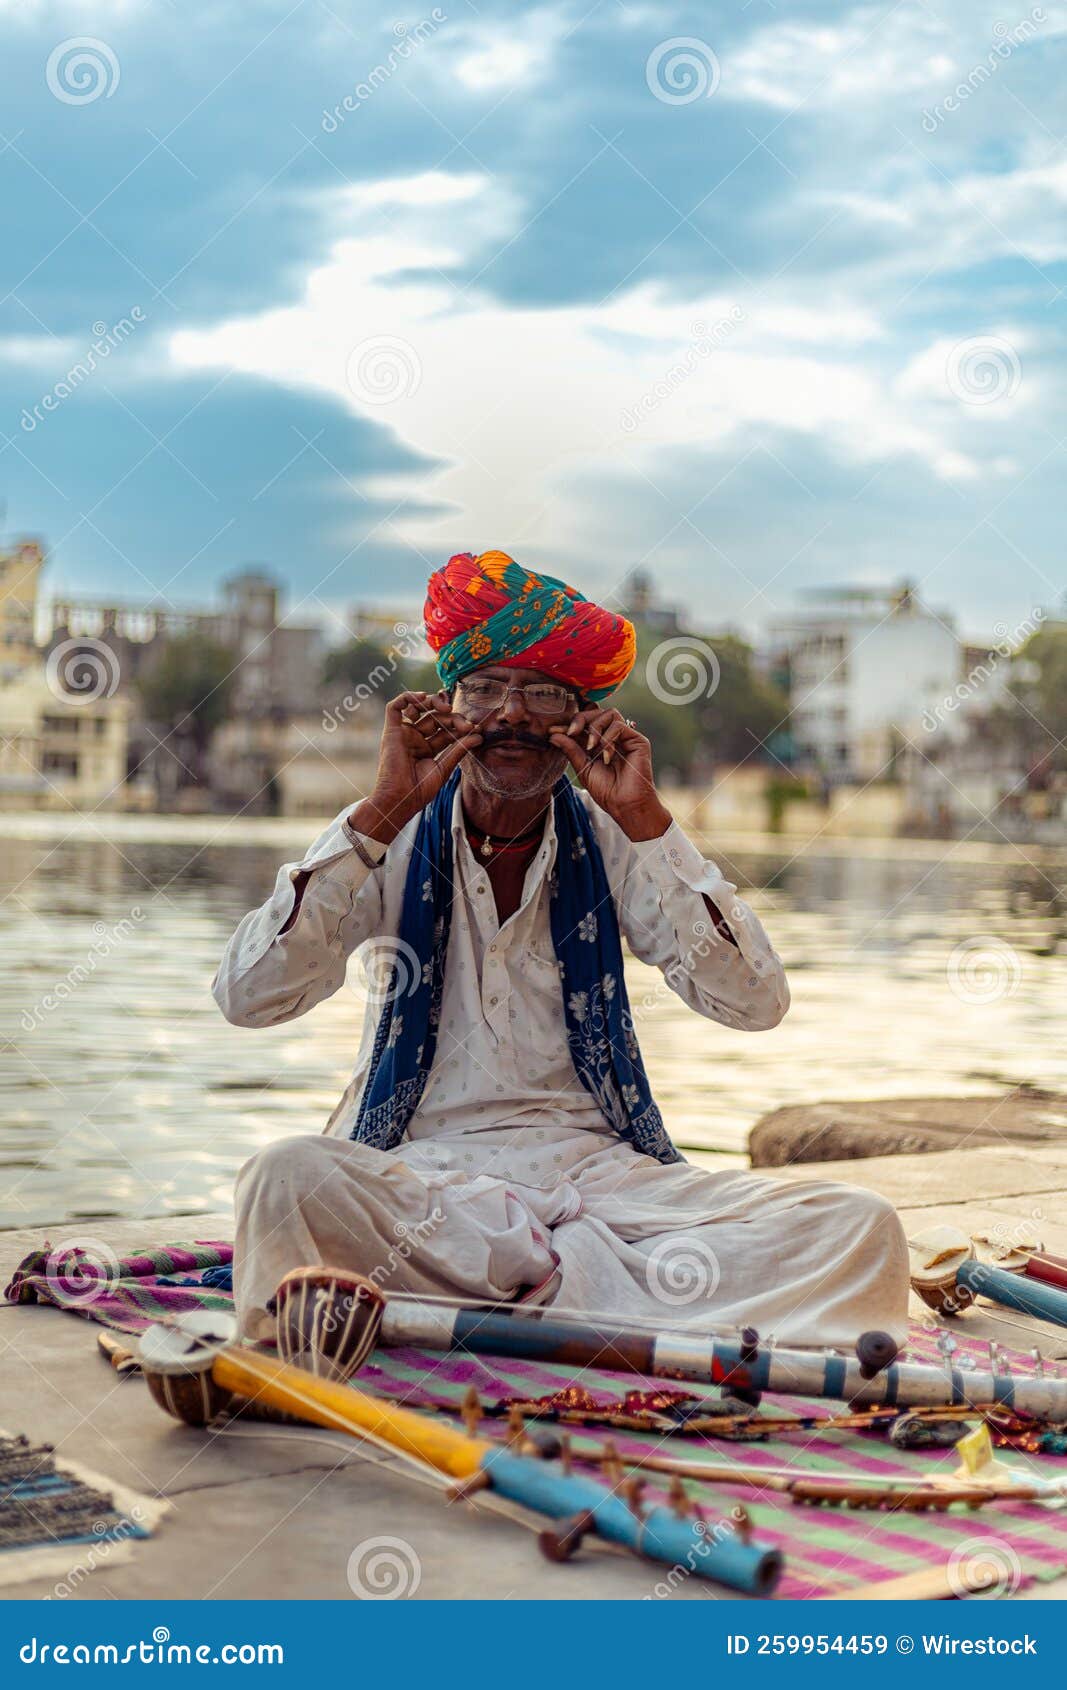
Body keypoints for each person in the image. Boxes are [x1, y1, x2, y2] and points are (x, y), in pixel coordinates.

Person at [215, 550, 908, 1346]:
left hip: (604, 1183)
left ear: (579, 719)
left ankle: (507, 1299)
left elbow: (755, 1003)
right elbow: (249, 998)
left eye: (540, 693)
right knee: (285, 1179)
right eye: (483, 690)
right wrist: (378, 811)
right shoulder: (387, 834)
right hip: (428, 1182)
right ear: (447, 706)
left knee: (859, 1226)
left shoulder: (618, 839)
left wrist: (650, 825)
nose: (509, 714)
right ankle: (585, 1301)